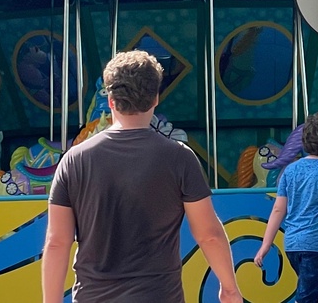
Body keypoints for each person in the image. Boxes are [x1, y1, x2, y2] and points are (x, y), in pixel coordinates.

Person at [41, 50, 242, 303]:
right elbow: (209, 234)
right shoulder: (180, 158)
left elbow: (57, 242)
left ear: (111, 101)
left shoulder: (74, 160)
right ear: (156, 98)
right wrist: (229, 287)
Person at [253, 114, 318, 303]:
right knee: (308, 296)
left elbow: (278, 209)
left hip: (293, 244)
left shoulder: (291, 171)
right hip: (317, 246)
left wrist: (266, 244)